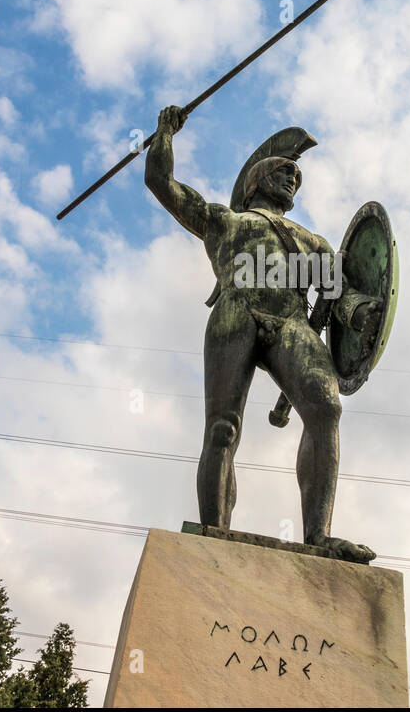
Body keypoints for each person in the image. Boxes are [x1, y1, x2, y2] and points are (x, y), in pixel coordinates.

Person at [144, 105, 378, 562]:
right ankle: (214, 532)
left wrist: (360, 315)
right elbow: (162, 184)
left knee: (327, 408)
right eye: (284, 170)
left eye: (297, 175)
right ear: (255, 180)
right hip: (238, 309)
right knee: (222, 430)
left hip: (291, 319)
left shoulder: (314, 242)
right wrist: (165, 133)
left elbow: (340, 295)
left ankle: (319, 535)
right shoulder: (225, 220)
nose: (293, 177)